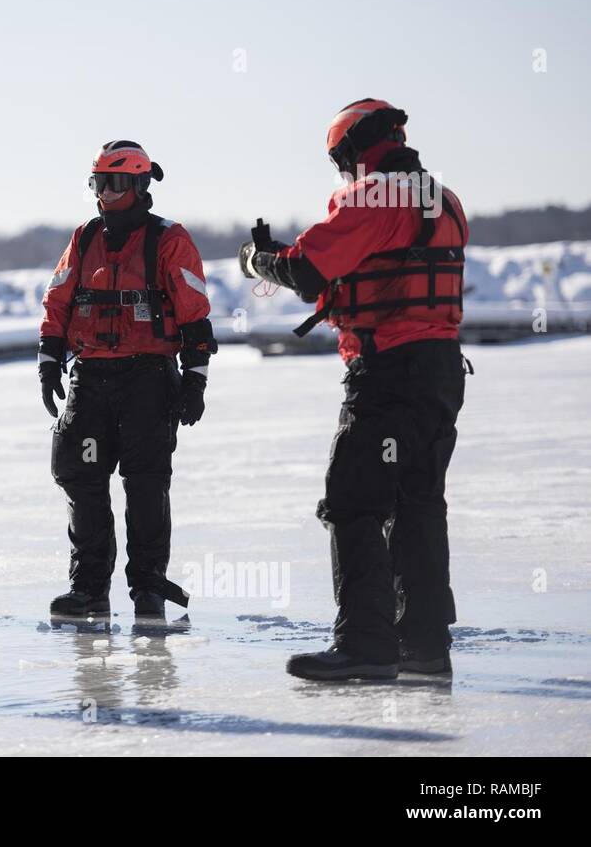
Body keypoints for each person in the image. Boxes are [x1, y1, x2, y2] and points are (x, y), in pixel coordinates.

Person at [239, 99, 469, 681]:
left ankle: (366, 645)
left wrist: (258, 261)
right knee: (418, 505)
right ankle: (424, 645)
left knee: (353, 500)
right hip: (440, 372)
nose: (344, 175)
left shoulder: (372, 196)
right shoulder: (444, 199)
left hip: (388, 374)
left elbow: (308, 270)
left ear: (353, 149)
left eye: (342, 161)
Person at [39, 141, 218, 622]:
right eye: (99, 182)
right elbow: (58, 301)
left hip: (147, 382)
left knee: (145, 485)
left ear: (140, 186)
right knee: (83, 480)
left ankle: (148, 590)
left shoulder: (169, 240)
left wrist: (195, 379)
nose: (106, 192)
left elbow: (195, 315)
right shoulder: (84, 237)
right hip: (91, 378)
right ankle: (89, 591)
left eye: (115, 183)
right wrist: (49, 359)